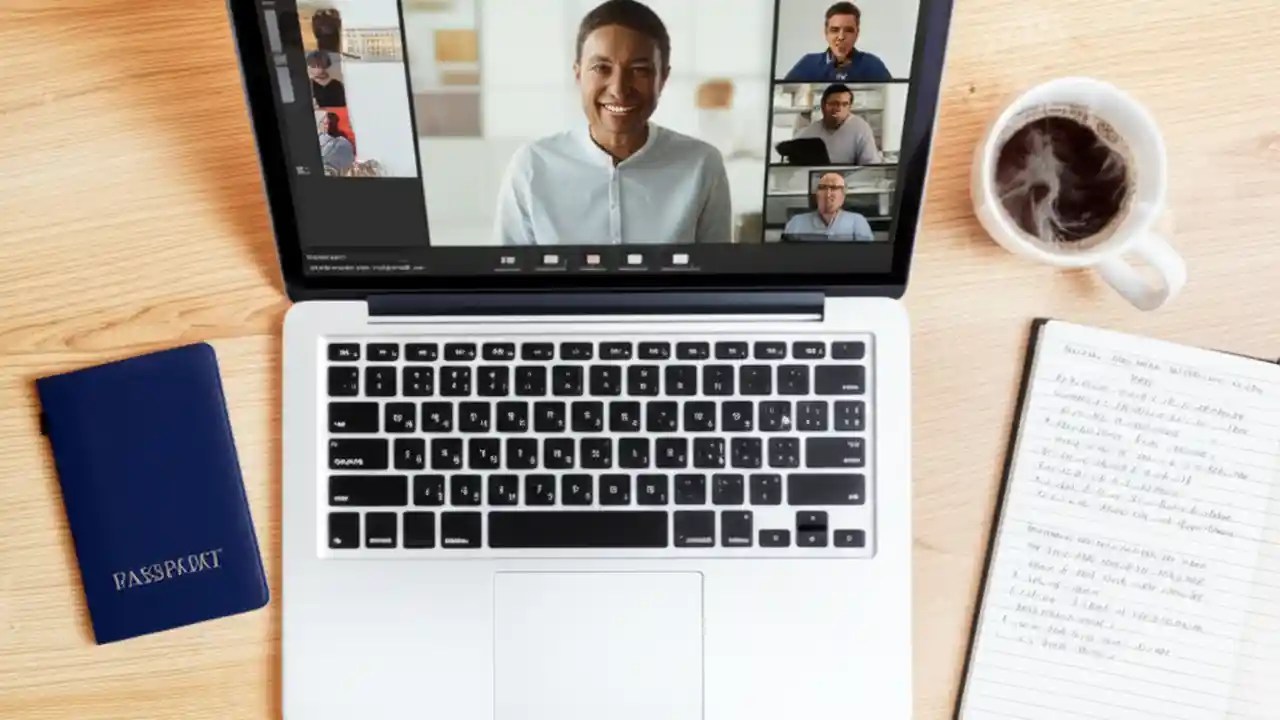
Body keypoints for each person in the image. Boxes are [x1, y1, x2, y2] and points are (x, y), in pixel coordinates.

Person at [494, 0, 732, 246]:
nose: (618, 90)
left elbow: (716, 279)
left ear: (663, 78)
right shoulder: (531, 167)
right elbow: (507, 279)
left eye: (639, 70)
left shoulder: (702, 166)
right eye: (601, 68)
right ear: (578, 74)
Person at [783, 2, 891, 82]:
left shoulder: (872, 65)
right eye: (834, 30)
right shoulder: (808, 64)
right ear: (826, 32)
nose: (841, 37)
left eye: (848, 30)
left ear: (857, 33)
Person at [793, 84, 882, 165]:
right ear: (823, 105)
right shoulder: (811, 131)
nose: (839, 108)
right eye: (834, 104)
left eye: (844, 104)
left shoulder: (861, 129)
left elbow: (871, 166)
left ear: (850, 107)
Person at [783, 172, 874, 241]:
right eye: (823, 188)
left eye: (834, 188)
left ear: (843, 196)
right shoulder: (796, 222)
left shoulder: (857, 222)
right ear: (816, 195)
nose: (828, 194)